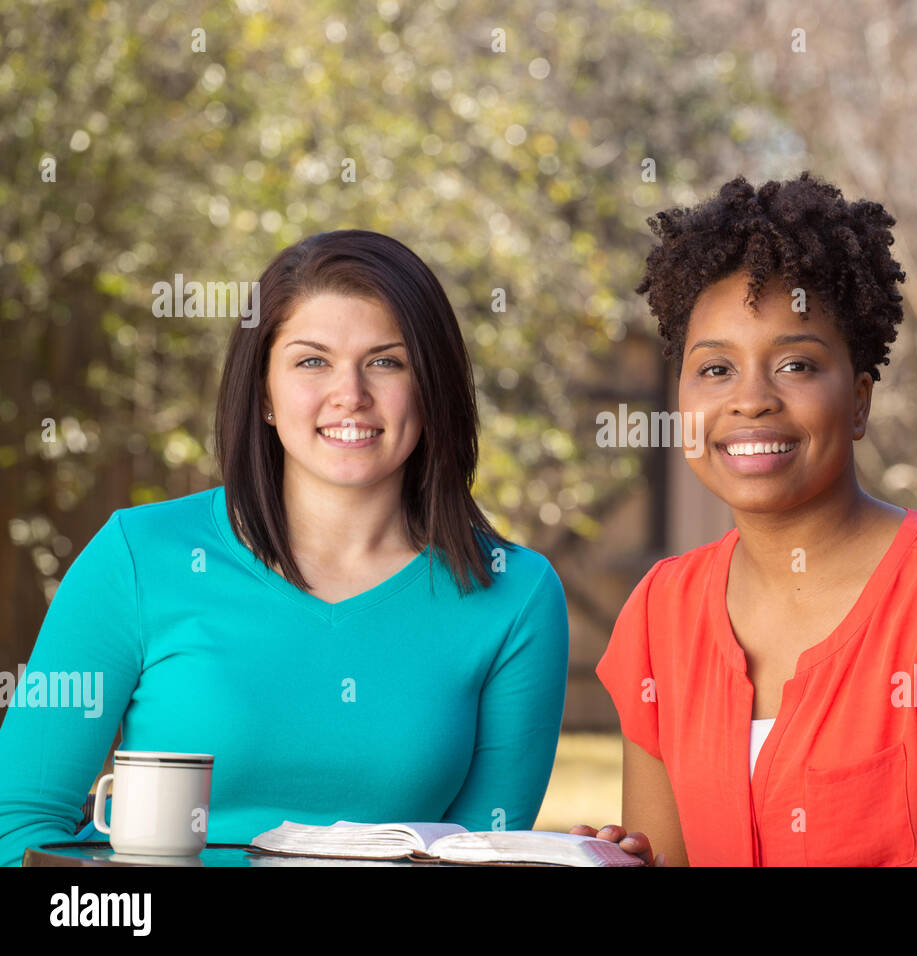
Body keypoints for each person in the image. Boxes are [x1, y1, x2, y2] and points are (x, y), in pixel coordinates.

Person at [0, 230, 569, 867]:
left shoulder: (516, 594)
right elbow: (19, 826)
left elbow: (482, 854)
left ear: (432, 388)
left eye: (386, 361)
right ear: (265, 392)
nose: (350, 394)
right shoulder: (136, 557)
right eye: (311, 361)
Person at [573, 172, 917, 866]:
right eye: (714, 370)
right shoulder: (661, 613)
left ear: (861, 400)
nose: (750, 400)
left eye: (796, 364)